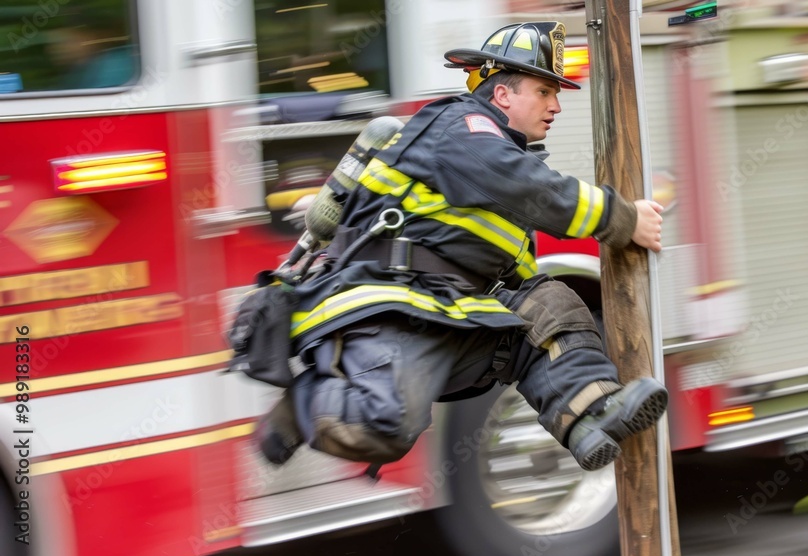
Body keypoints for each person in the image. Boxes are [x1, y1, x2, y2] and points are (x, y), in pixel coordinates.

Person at [254, 21, 668, 473]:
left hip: (442, 310)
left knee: (547, 303)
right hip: (384, 307)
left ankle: (588, 414)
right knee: (384, 427)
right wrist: (623, 219)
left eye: (558, 95)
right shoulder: (460, 126)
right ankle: (302, 405)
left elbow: (515, 269)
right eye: (545, 91)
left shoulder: (499, 154)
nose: (556, 106)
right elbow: (530, 188)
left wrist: (551, 320)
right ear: (503, 94)